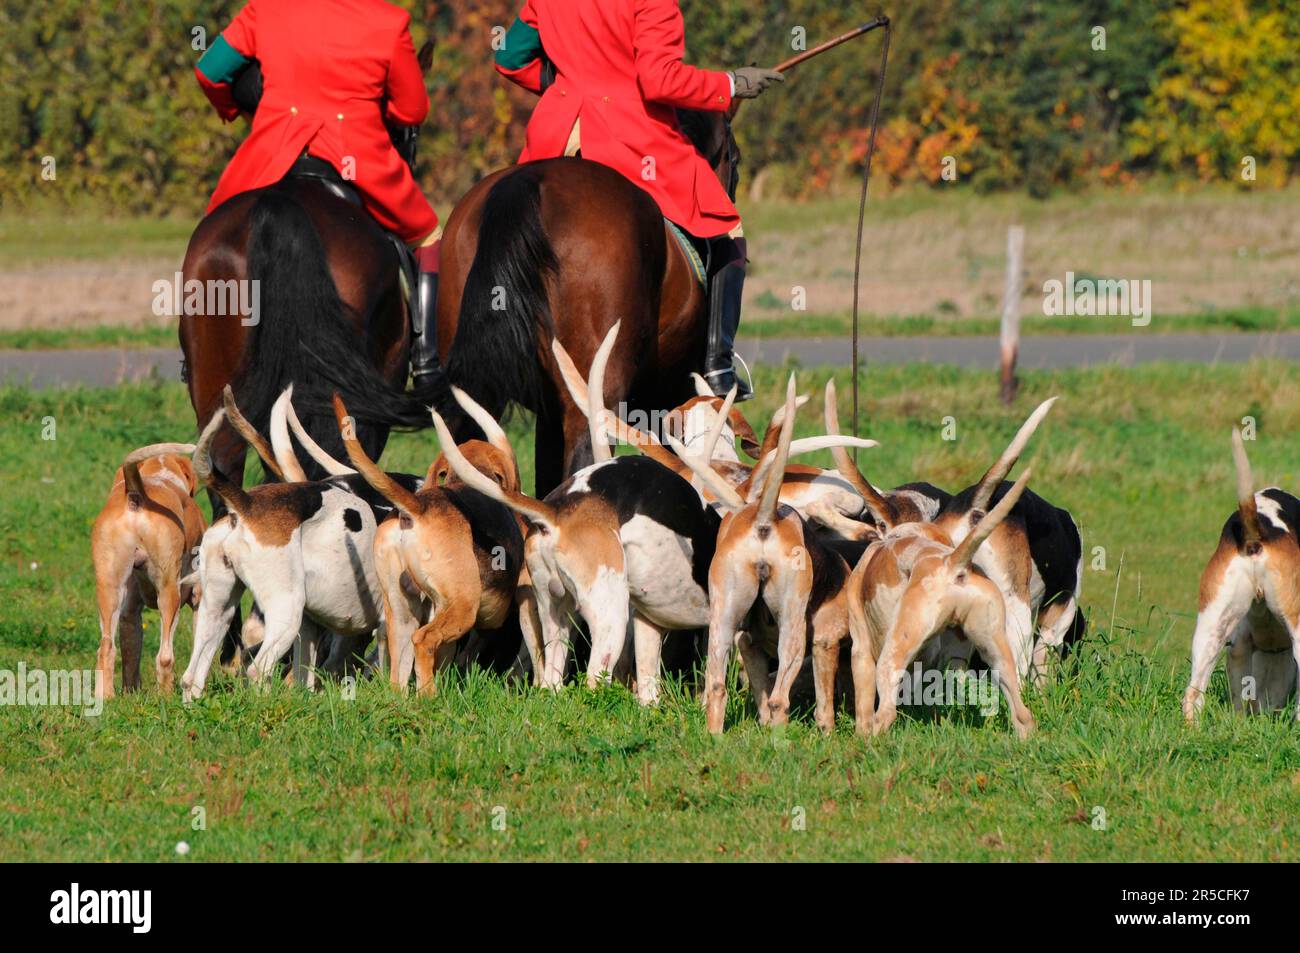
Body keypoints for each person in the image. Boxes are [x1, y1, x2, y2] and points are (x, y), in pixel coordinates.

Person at [494, 0, 784, 399]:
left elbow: (508, 57)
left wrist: (568, 88)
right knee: (726, 227)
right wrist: (729, 84)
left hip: (555, 137)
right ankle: (718, 366)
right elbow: (659, 81)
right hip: (629, 138)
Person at [194, 0, 445, 389]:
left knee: (213, 237)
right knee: (429, 238)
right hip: (358, 158)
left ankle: (197, 353)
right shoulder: (389, 21)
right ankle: (428, 361)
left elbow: (209, 71)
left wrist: (238, 113)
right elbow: (412, 111)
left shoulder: (266, 9)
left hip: (271, 154)